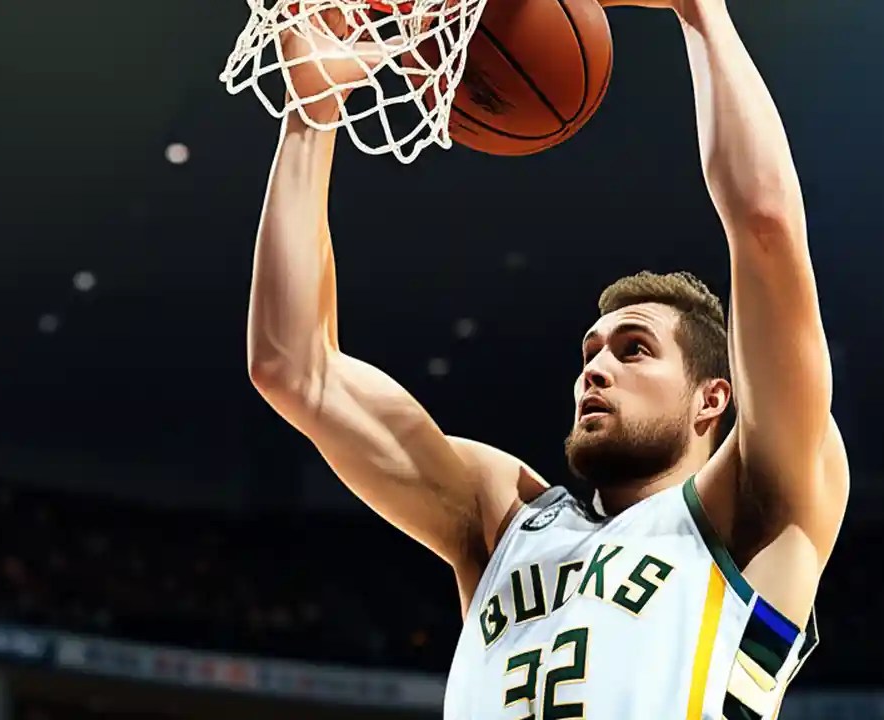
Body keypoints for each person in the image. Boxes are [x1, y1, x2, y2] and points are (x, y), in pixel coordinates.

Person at [246, 0, 850, 716]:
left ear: (712, 399)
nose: (596, 369)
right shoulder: (503, 516)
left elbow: (767, 229)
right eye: (591, 351)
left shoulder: (754, 510)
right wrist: (312, 111)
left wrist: (702, 15)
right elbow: (294, 369)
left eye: (634, 351)